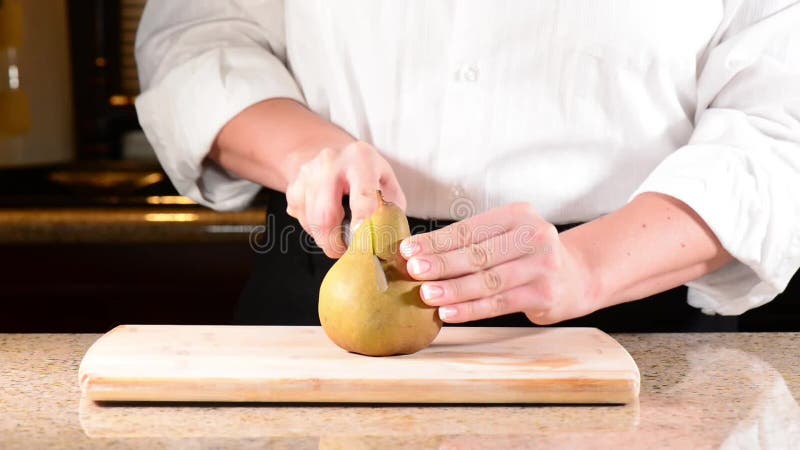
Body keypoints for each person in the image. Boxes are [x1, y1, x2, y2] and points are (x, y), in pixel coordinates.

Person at [134, 1, 800, 331]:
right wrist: (309, 153)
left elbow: (779, 119)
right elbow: (200, 34)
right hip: (322, 286)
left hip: (630, 314)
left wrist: (586, 266)